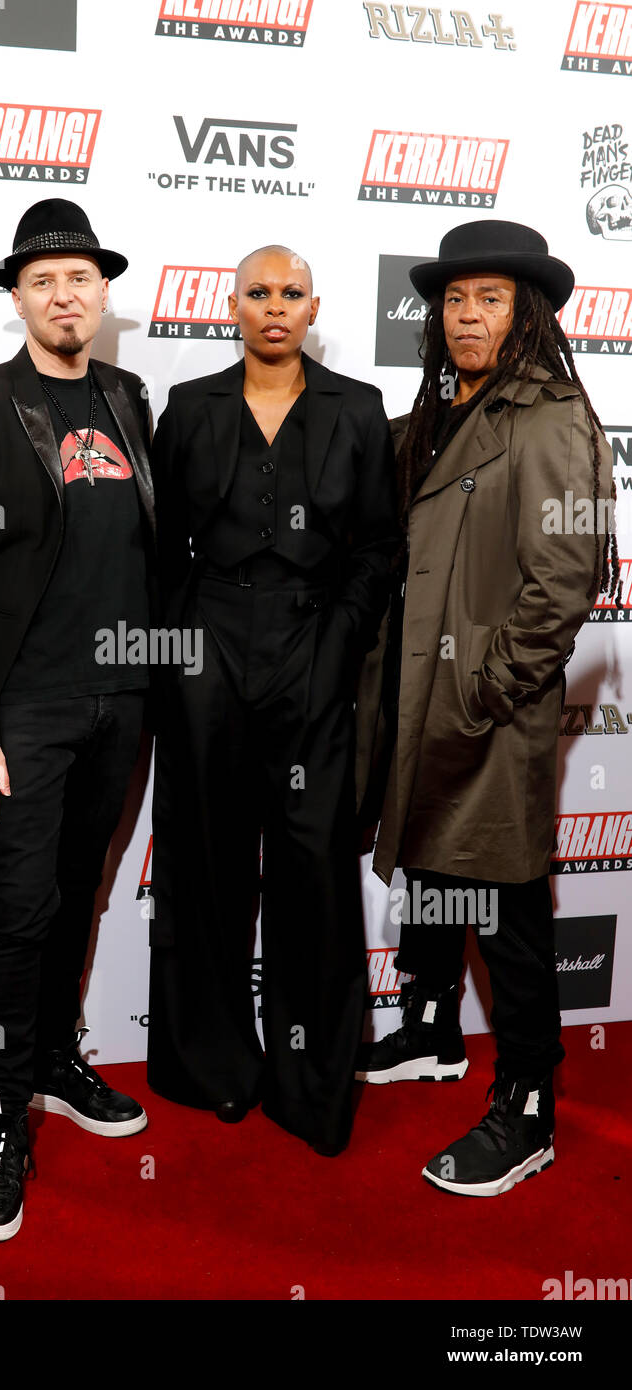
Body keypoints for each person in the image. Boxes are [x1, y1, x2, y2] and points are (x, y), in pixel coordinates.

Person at [356, 219, 617, 1196]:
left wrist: (486, 691)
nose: (467, 315)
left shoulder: (549, 418)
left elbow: (563, 583)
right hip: (424, 701)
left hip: (486, 712)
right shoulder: (446, 410)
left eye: (489, 299)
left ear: (529, 313)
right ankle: (430, 1029)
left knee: (507, 906)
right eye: (454, 300)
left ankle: (530, 1105)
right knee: (427, 868)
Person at [0, 199, 154, 1243]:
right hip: (23, 709)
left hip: (122, 703)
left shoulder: (128, 397)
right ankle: (4, 1117)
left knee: (77, 894)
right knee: (18, 911)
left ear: (102, 293)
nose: (66, 296)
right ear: (18, 295)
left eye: (82, 279)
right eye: (44, 281)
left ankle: (57, 1058)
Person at [146, 245, 398, 1156]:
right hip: (208, 645)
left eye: (292, 293)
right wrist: (181, 655)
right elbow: (162, 545)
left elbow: (378, 548)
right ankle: (214, 1064)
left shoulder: (358, 410)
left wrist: (336, 645)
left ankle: (311, 1080)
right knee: (208, 860)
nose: (276, 307)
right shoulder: (190, 408)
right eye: (259, 293)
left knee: (314, 866)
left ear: (314, 307)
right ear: (234, 306)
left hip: (312, 648)